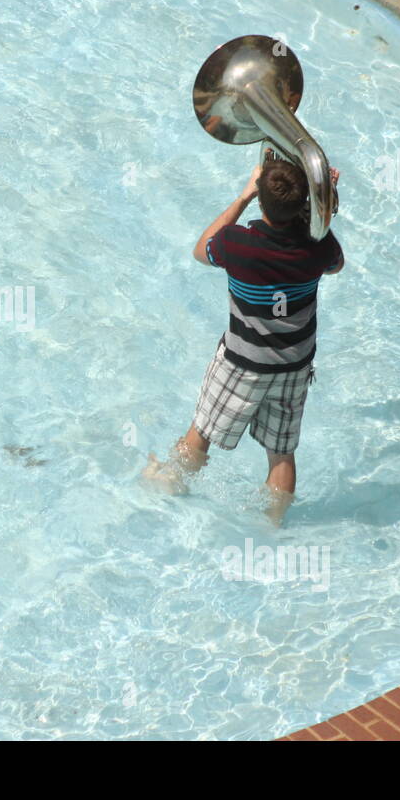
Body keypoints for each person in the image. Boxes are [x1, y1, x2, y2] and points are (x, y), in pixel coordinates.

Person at [142, 156, 343, 526]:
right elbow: (337, 264)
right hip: (294, 366)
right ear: (304, 206)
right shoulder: (317, 248)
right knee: (282, 453)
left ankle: (167, 486)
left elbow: (201, 249)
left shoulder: (237, 244)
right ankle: (271, 523)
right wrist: (322, 202)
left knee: (201, 433)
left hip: (242, 364)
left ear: (262, 200)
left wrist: (243, 196)